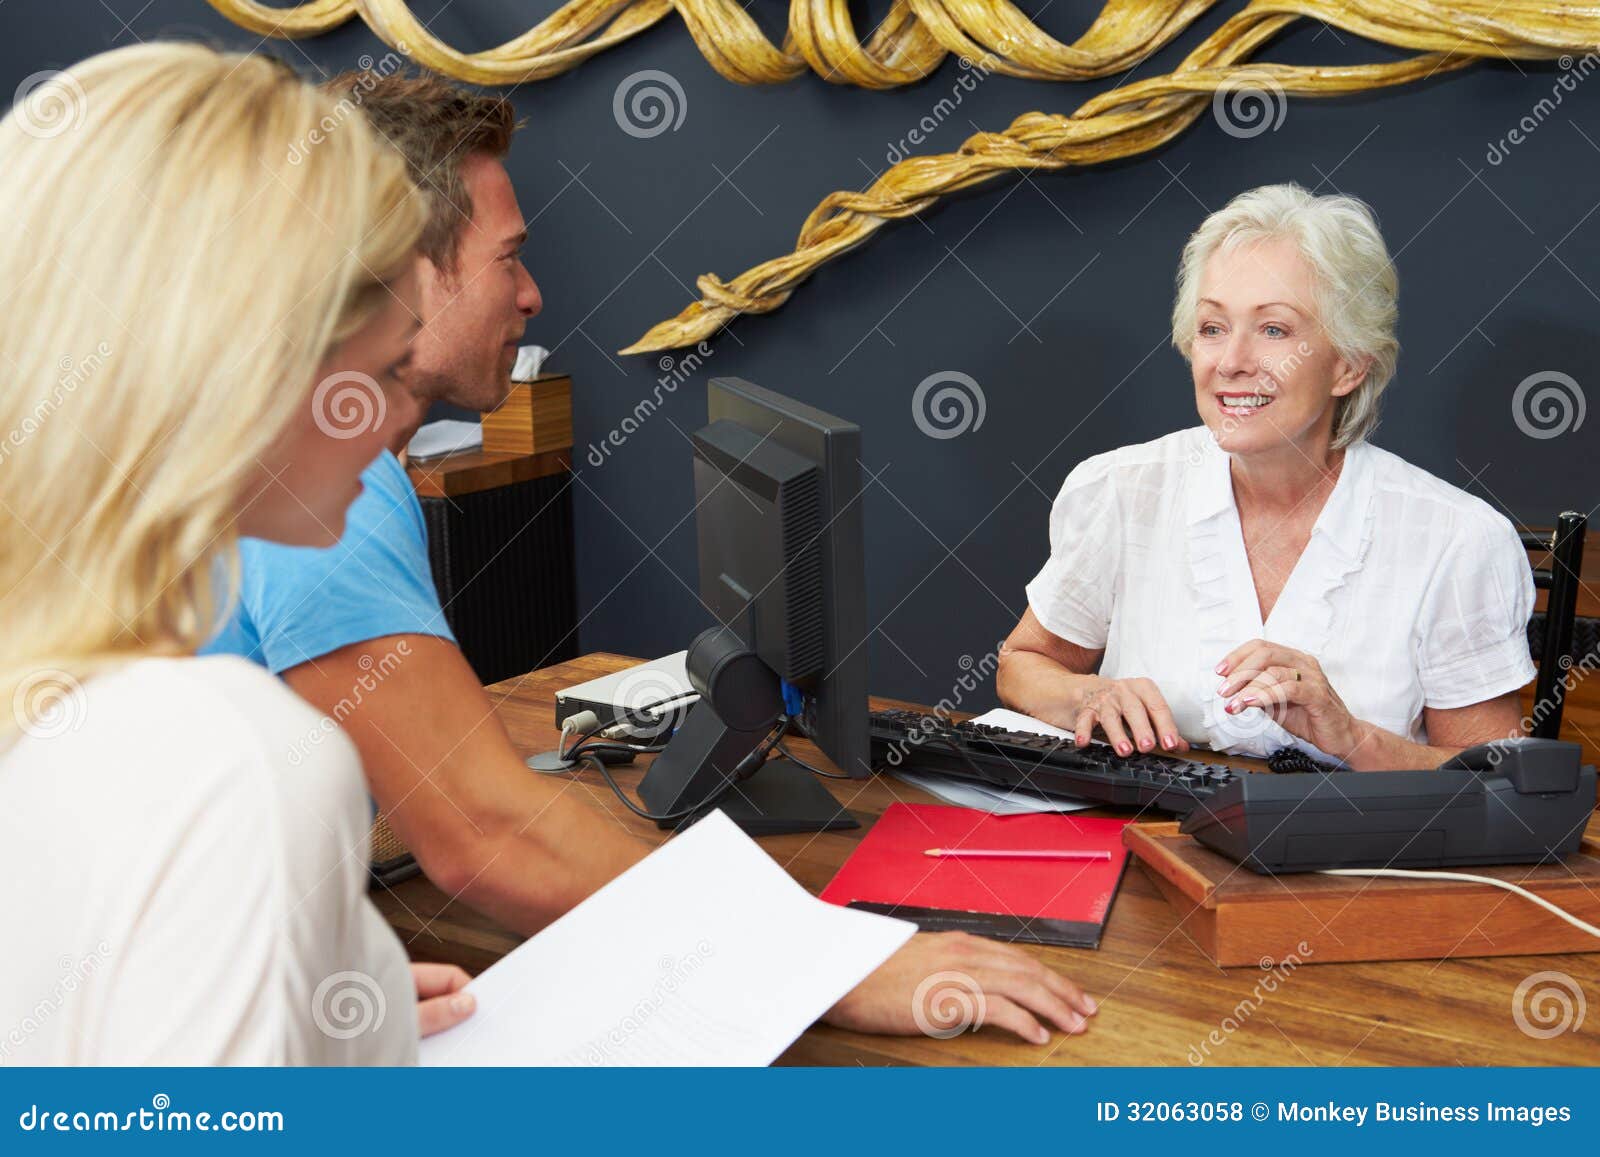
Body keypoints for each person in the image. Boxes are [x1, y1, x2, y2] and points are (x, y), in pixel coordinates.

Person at [203, 69, 1099, 1044]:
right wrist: (820, 961)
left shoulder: (264, 426)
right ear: (411, 269)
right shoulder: (329, 470)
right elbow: (478, 830)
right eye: (508, 258)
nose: (532, 293)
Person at [0, 43, 476, 1063]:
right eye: (384, 373)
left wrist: (338, 994)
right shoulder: (234, 759)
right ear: (250, 371)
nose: (396, 419)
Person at [998, 183, 1534, 772]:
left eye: (1274, 330)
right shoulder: (1123, 490)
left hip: (1347, 855)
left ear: (1349, 365)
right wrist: (1086, 694)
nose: (1231, 362)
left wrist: (1351, 737)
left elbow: (1493, 784)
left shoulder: (1458, 539)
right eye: (1212, 328)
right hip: (1142, 840)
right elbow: (1023, 663)